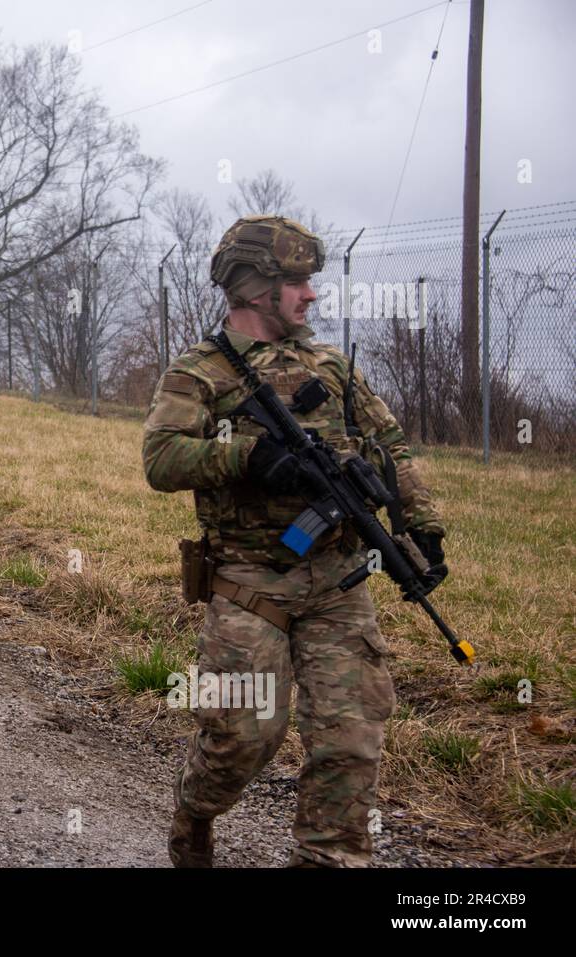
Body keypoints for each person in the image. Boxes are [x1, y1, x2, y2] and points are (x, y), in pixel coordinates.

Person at [142, 215, 447, 867]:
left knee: (350, 741)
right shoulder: (200, 372)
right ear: (256, 287)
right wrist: (244, 458)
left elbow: (393, 444)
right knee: (242, 738)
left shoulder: (330, 366)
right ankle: (194, 809)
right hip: (251, 583)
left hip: (339, 582)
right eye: (298, 282)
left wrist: (421, 521)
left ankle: (328, 857)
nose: (311, 294)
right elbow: (161, 459)